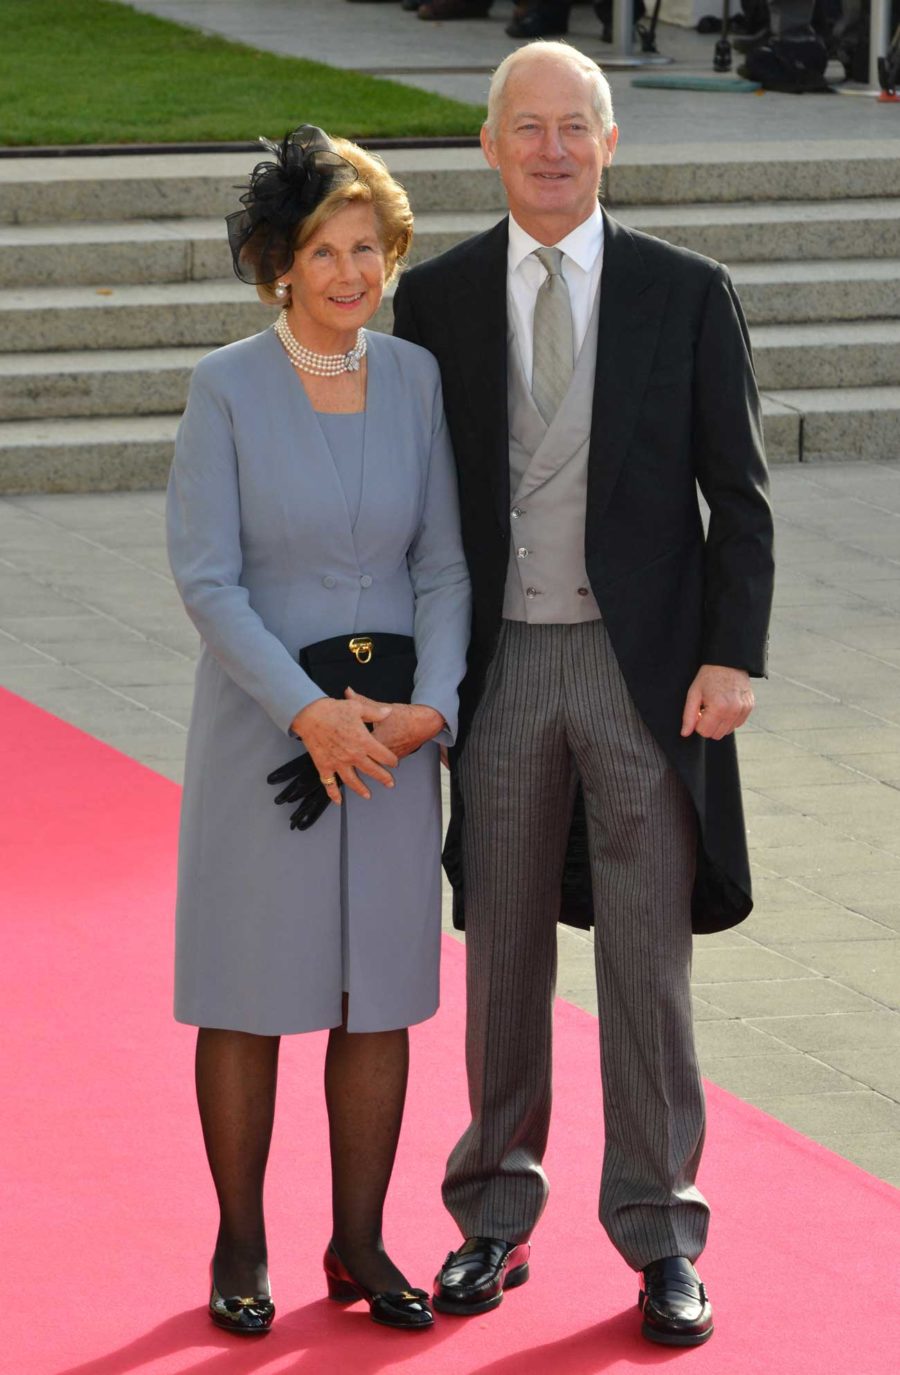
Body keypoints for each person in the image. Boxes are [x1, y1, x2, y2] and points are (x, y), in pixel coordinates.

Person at [393, 41, 774, 1347]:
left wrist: (734, 653)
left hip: (645, 672)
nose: (553, 149)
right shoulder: (436, 300)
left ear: (613, 145)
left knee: (645, 963)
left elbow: (746, 499)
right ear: (489, 146)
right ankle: (492, 1211)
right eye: (528, 128)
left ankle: (663, 1225)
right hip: (500, 668)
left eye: (578, 127)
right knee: (501, 947)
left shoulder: (686, 292)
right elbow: (418, 503)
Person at [167, 125, 471, 1336]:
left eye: (370, 248)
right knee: (248, 991)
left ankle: (359, 1239)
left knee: (378, 994)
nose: (352, 274)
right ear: (278, 265)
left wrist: (429, 711)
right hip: (266, 738)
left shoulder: (415, 379)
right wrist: (305, 710)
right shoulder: (225, 386)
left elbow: (444, 566)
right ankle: (241, 1239)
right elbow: (206, 577)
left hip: (394, 748)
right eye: (324, 250)